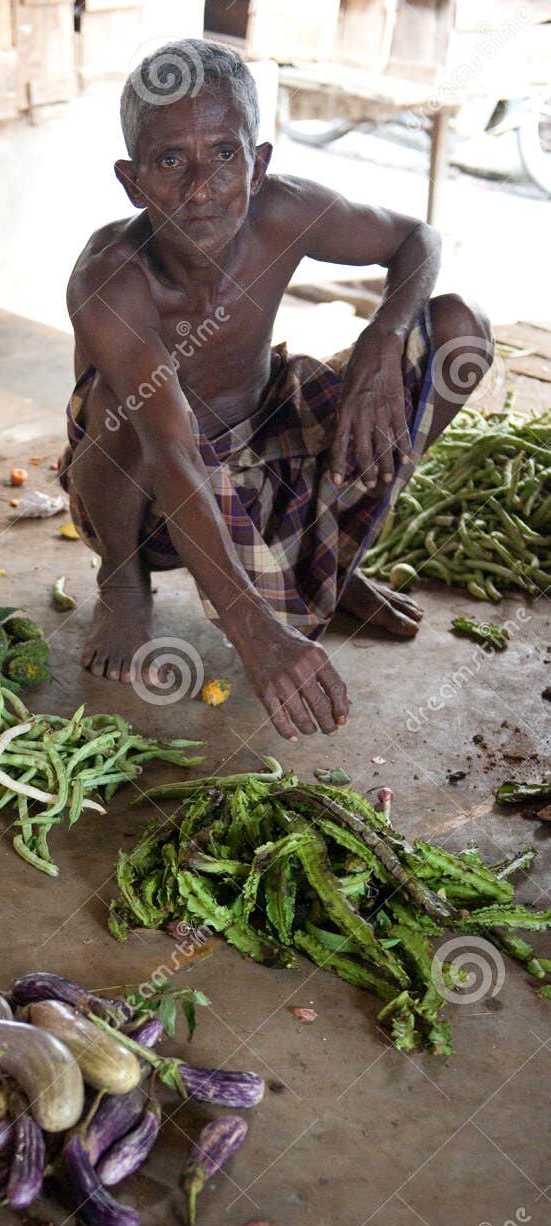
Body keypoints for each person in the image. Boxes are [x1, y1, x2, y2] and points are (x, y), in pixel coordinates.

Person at [59, 39, 494, 739]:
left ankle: (330, 566)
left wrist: (384, 340)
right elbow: (173, 453)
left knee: (459, 330)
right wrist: (253, 632)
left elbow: (420, 238)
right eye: (172, 161)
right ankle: (122, 582)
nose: (203, 187)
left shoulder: (286, 212)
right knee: (126, 410)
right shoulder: (111, 279)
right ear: (133, 182)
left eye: (225, 155)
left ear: (258, 165)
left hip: (267, 438)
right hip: (150, 494)